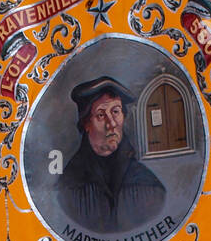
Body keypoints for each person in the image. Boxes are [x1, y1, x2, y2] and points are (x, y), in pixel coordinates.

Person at [57, 77, 166, 233]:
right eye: (101, 115)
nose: (112, 123)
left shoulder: (149, 186)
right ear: (86, 124)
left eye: (115, 111)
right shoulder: (69, 186)